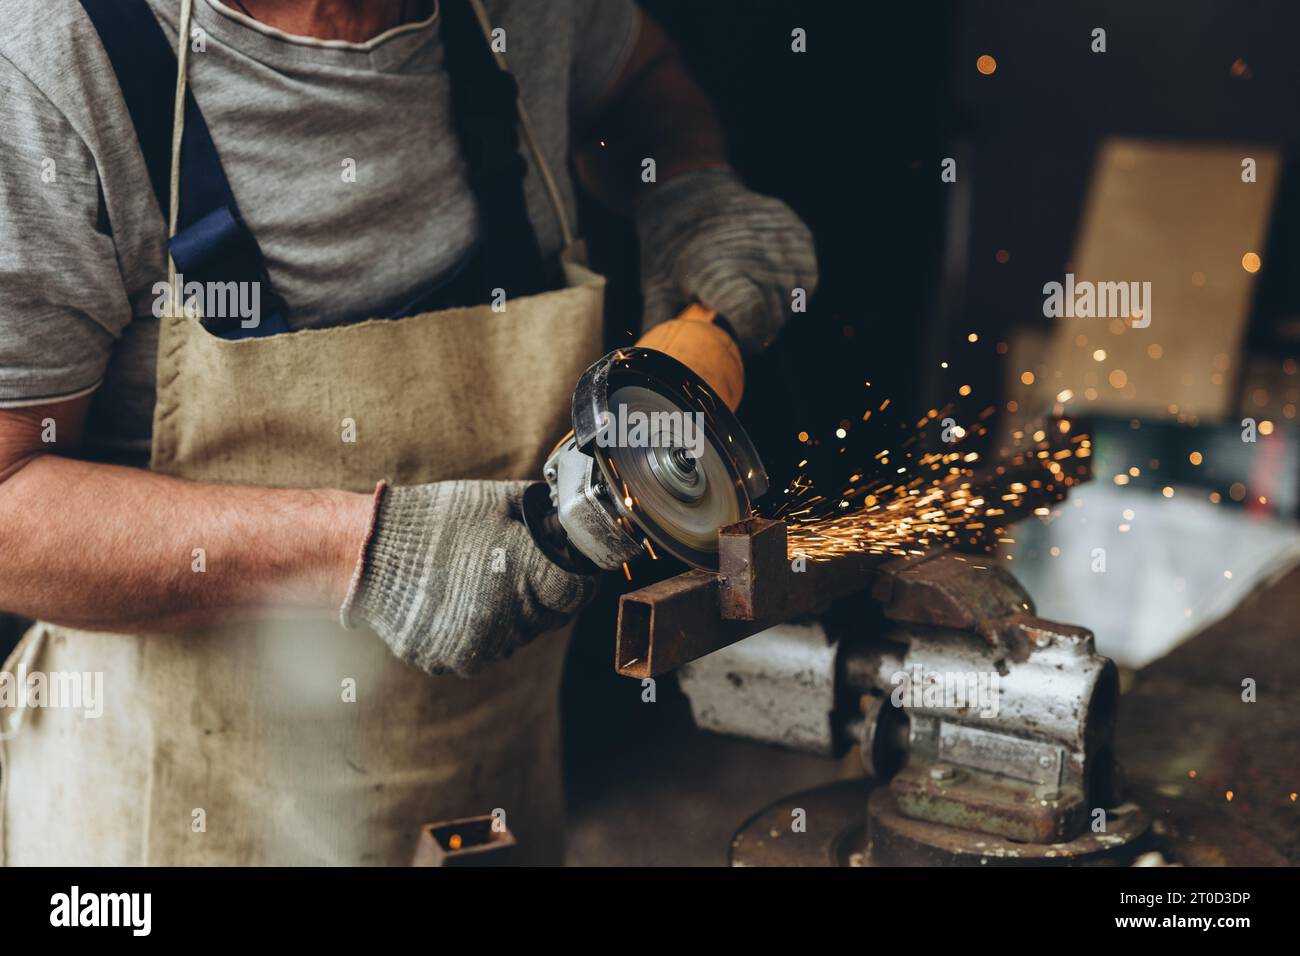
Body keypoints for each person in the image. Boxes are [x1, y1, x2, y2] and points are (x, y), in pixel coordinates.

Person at [0, 0, 817, 865]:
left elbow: (635, 84)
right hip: (184, 822)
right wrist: (369, 554)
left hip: (490, 802)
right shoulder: (48, 67)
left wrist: (684, 191)